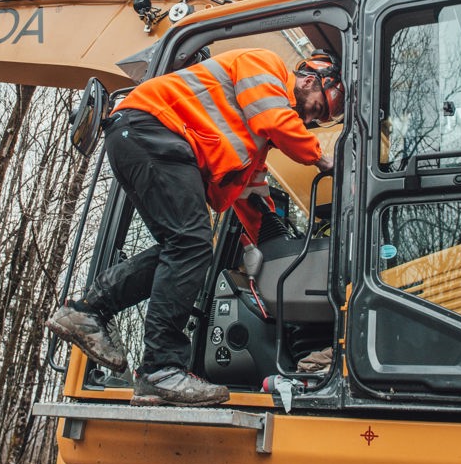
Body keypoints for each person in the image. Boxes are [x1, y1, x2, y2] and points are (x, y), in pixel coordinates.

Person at [47, 47, 344, 406]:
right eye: (322, 106)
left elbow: (252, 196)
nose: (317, 117)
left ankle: (87, 311)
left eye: (324, 117)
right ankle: (160, 369)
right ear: (311, 79)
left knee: (186, 249)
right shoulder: (267, 66)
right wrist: (324, 160)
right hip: (151, 130)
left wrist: (273, 243)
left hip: (145, 138)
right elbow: (275, 119)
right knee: (191, 245)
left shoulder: (255, 139)